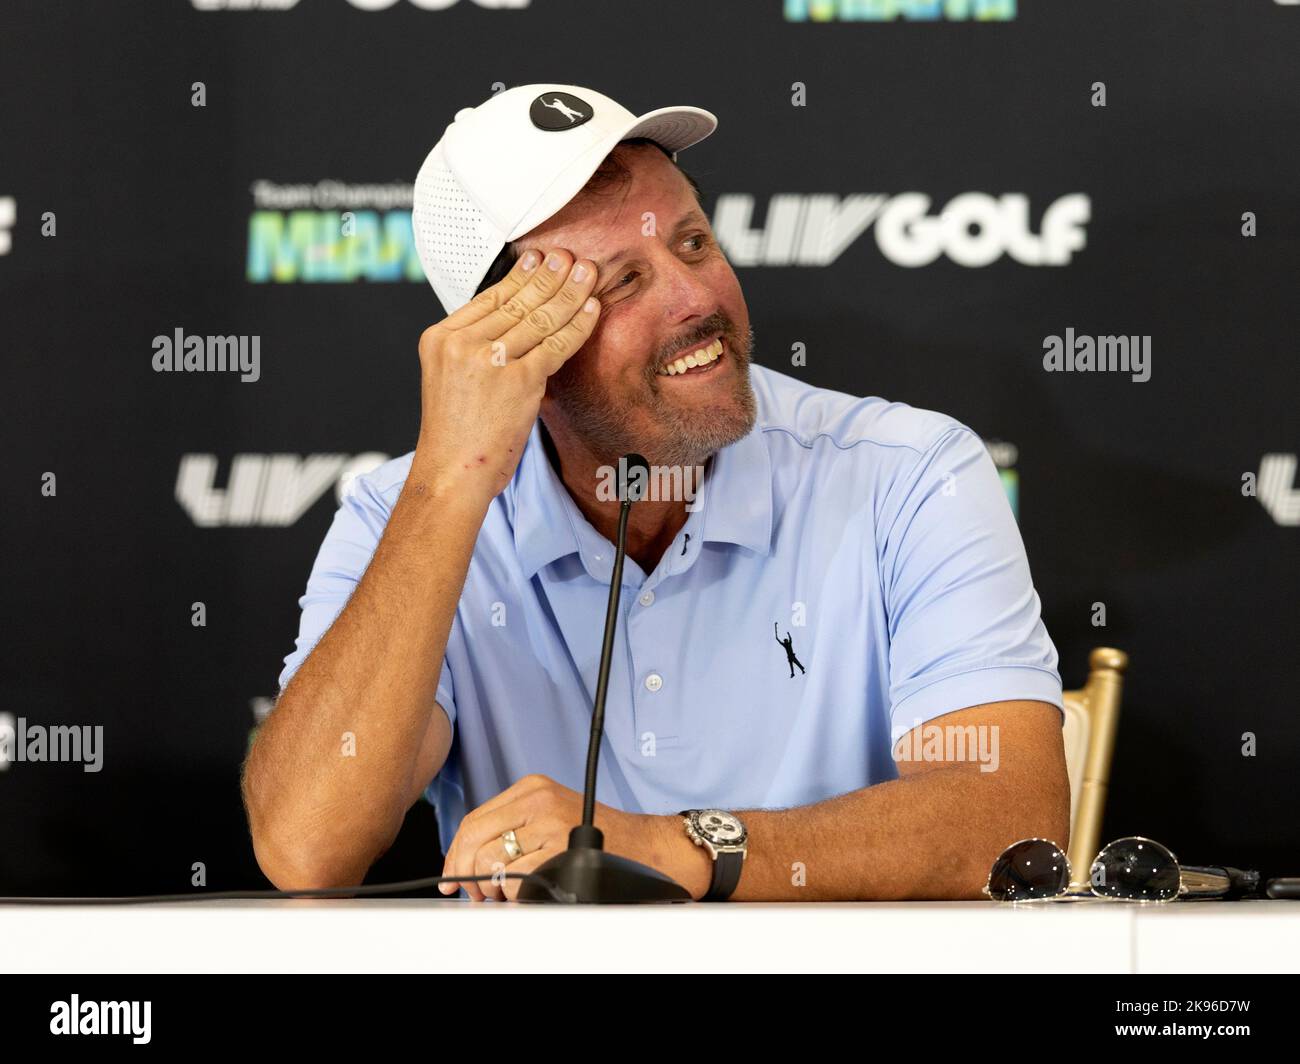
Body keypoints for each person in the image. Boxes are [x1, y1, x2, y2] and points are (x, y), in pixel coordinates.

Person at [242, 84, 1070, 903]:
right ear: (508, 344)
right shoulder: (405, 515)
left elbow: (1010, 820)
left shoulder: (908, 471)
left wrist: (676, 846)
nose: (697, 299)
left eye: (694, 243)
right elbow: (308, 848)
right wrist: (445, 489)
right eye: (623, 282)